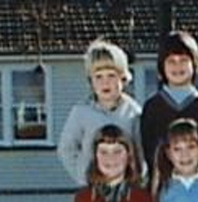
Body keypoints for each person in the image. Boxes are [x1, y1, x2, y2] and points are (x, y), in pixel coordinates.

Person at [58, 38, 143, 185]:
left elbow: (141, 151)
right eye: (99, 77)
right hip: (94, 185)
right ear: (91, 81)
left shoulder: (133, 113)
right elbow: (66, 148)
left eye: (111, 76)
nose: (105, 82)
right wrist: (83, 175)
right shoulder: (81, 112)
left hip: (125, 185)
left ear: (123, 78)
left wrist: (136, 177)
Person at [140, 31, 198, 175]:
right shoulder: (152, 108)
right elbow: (149, 153)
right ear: (162, 66)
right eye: (171, 61)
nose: (177, 66)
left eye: (183, 60)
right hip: (163, 183)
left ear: (194, 63)